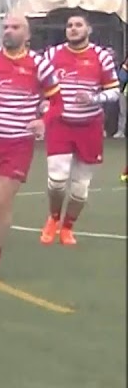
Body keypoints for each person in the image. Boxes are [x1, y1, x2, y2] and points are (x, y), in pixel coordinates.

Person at [0, 14, 63, 279]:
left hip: (18, 144)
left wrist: (43, 121)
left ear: (27, 35)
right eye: (5, 27)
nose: (8, 31)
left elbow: (57, 102)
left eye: (15, 27)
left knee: (2, 202)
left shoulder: (39, 65)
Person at [38, 14, 120, 247]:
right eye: (69, 25)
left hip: (90, 126)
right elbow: (40, 84)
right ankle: (53, 218)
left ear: (88, 30)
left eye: (78, 25)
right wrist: (43, 104)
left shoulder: (101, 57)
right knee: (57, 180)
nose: (73, 29)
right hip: (60, 124)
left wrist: (94, 98)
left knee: (80, 188)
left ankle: (67, 227)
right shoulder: (52, 55)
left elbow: (114, 91)